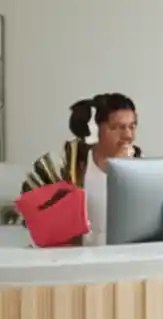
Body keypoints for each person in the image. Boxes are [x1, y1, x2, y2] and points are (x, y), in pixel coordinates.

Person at [23, 93, 142, 246]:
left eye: (132, 126)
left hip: (127, 261)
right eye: (117, 128)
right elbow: (34, 211)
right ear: (96, 129)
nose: (128, 135)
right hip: (78, 262)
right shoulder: (70, 163)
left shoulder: (142, 167)